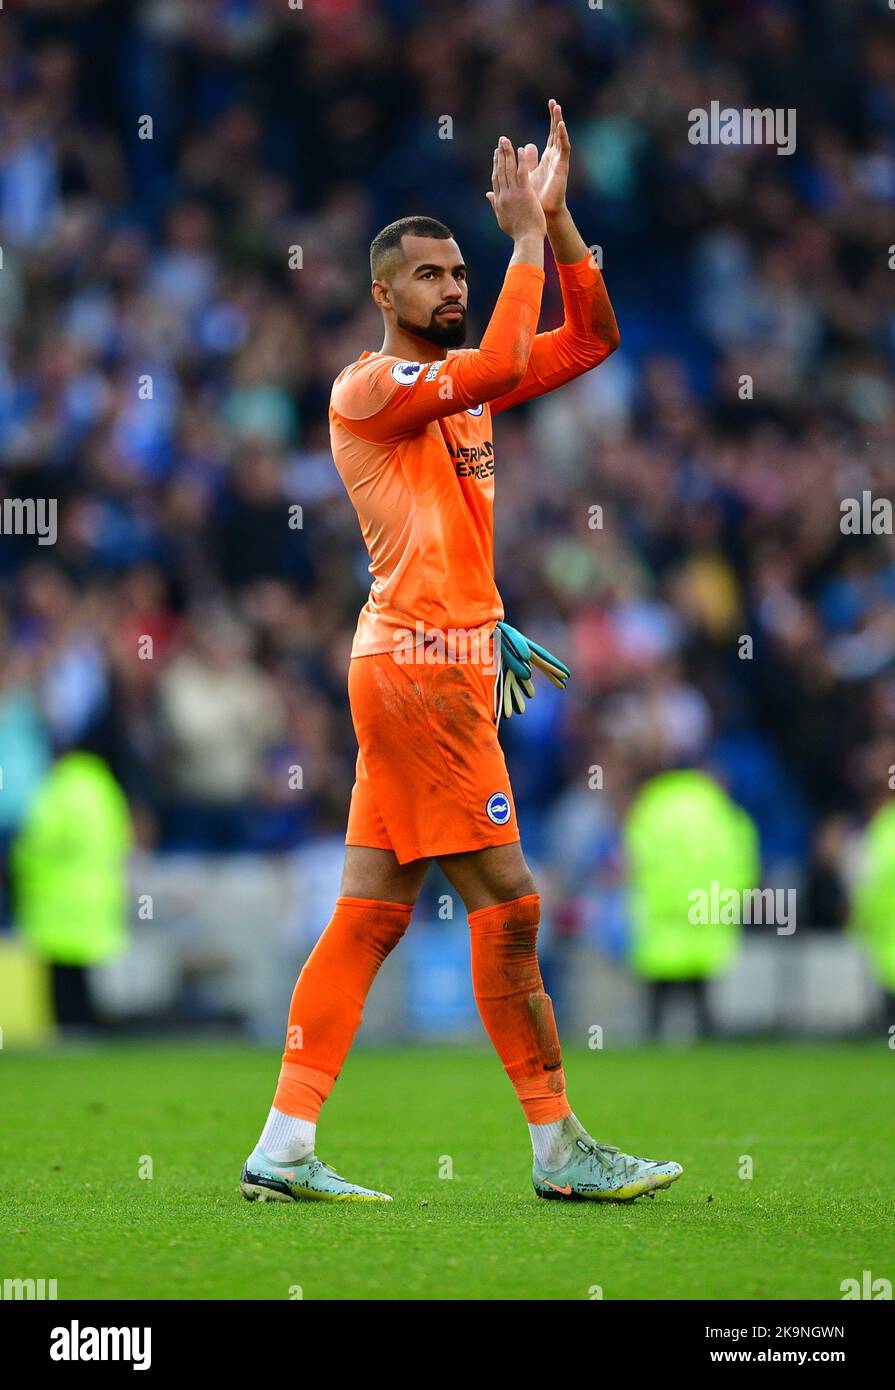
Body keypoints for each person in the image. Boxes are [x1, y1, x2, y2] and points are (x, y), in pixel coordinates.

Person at [241, 102, 683, 1203]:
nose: (452, 285)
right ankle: (557, 1147)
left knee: (372, 910)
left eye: (458, 270)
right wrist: (521, 235)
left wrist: (564, 221)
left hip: (437, 659)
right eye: (431, 275)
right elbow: (490, 363)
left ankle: (283, 1145)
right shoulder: (371, 386)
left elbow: (590, 340)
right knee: (513, 903)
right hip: (421, 672)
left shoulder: (470, 386)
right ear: (382, 295)